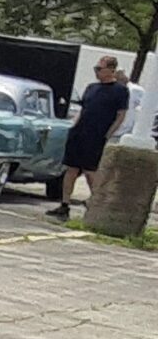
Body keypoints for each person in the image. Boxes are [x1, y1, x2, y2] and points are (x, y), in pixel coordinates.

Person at [49, 55, 133, 220]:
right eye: (96, 69)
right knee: (71, 168)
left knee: (90, 170)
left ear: (111, 70)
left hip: (96, 135)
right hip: (80, 132)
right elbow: (84, 109)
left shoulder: (120, 90)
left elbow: (121, 115)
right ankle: (64, 205)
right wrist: (74, 126)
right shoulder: (91, 88)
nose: (97, 72)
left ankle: (96, 203)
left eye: (100, 69)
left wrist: (108, 134)